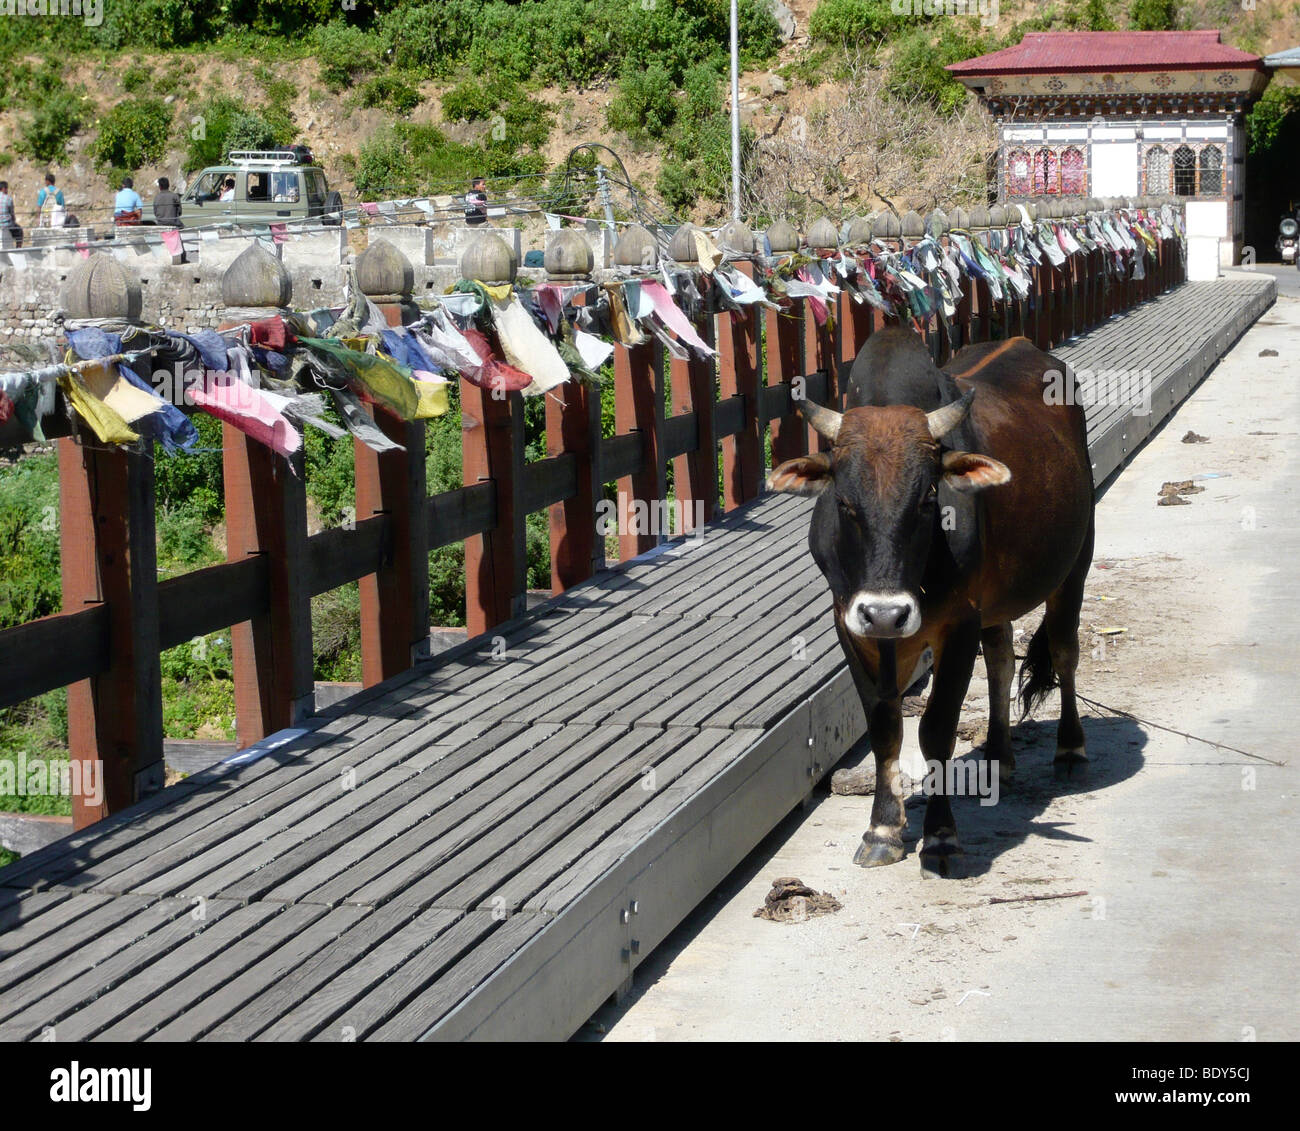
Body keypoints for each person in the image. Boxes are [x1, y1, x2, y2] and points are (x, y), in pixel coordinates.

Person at [0, 181, 21, 247]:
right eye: (6, 188)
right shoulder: (8, 198)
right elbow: (12, 214)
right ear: (4, 188)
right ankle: (18, 249)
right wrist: (14, 220)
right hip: (6, 224)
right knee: (19, 232)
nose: (7, 190)